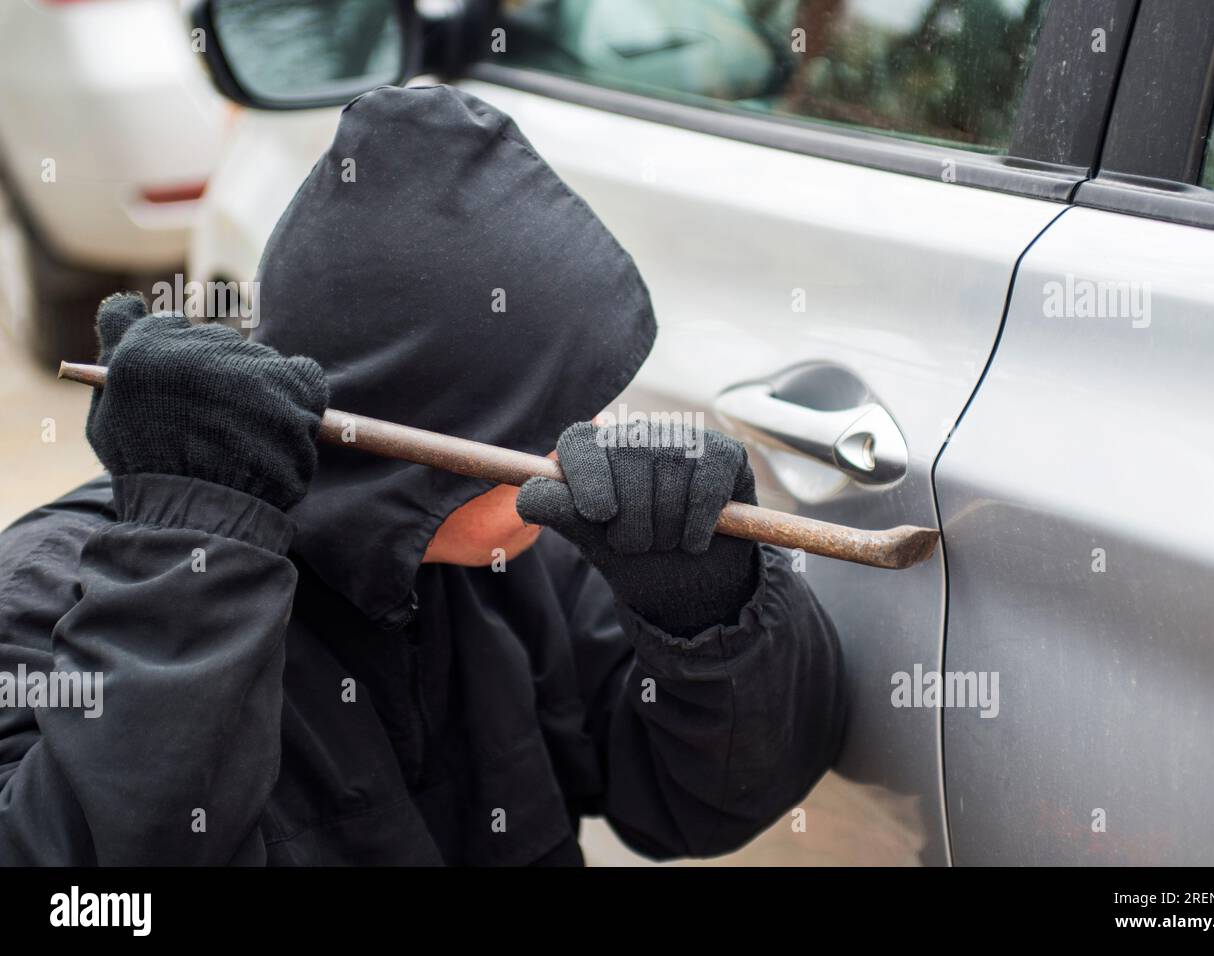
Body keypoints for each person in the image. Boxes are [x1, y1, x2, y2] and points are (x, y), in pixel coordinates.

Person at [0, 86, 845, 865]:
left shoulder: (517, 568)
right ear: (420, 432)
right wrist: (186, 582)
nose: (577, 451)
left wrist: (710, 621)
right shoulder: (56, 594)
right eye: (546, 422)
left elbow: (707, 803)